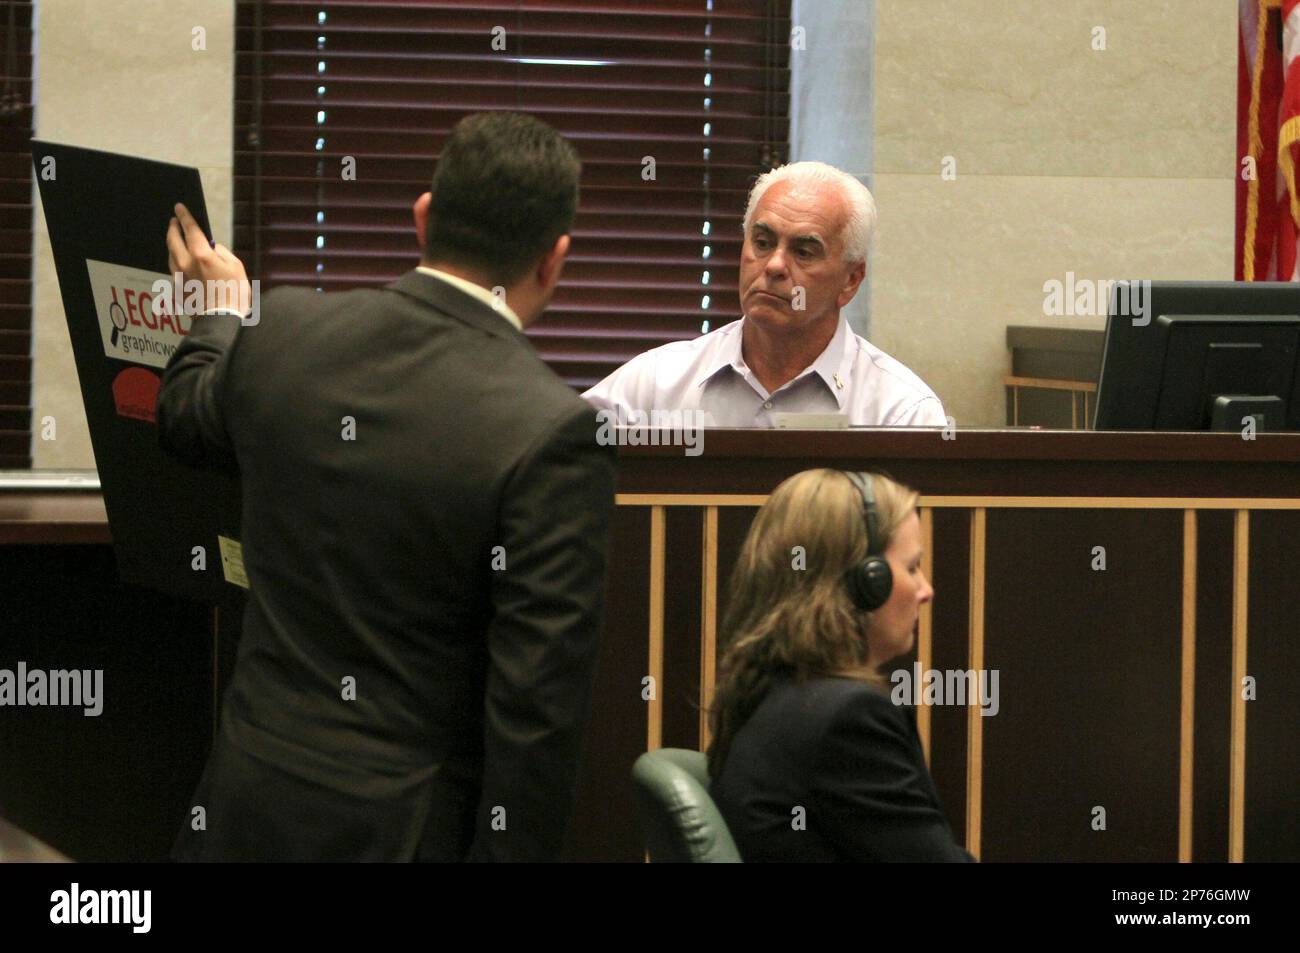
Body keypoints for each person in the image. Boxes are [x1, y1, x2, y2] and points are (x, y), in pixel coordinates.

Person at [156, 112, 616, 862]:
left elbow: (185, 416)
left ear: (424, 216)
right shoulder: (552, 431)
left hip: (243, 804)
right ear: (554, 259)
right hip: (403, 834)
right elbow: (537, 721)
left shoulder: (282, 337)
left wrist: (219, 319)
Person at [707, 468, 973, 862]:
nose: (926, 590)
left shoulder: (769, 693)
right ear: (866, 580)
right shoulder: (846, 720)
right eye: (913, 566)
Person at [582, 161, 944, 427]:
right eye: (762, 242)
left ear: (851, 280)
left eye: (803, 251)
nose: (773, 266)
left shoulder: (901, 412)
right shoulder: (654, 387)